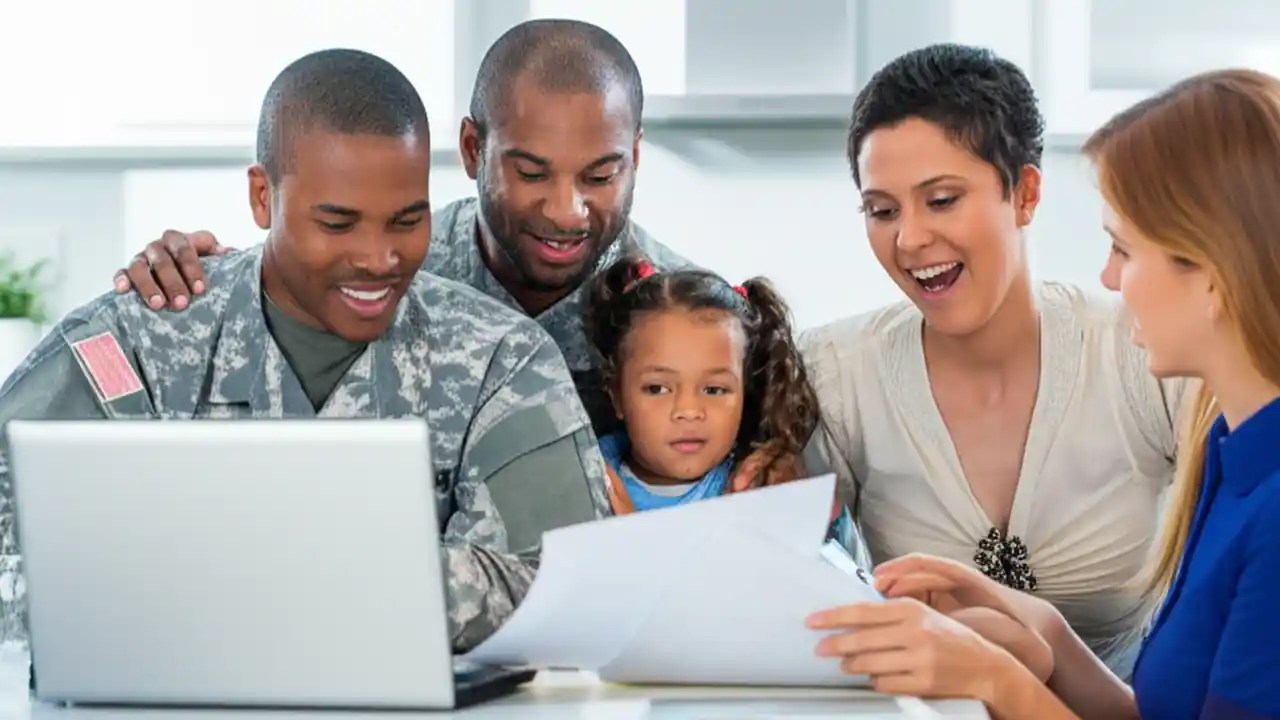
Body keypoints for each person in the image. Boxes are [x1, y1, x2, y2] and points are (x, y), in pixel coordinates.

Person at [0, 48, 609, 653]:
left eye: (405, 220)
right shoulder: (136, 348)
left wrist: (214, 586)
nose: (378, 258)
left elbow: (559, 583)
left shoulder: (501, 362)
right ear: (263, 197)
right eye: (338, 224)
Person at [807, 68, 1280, 719]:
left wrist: (1001, 681)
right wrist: (1046, 633)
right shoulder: (1232, 453)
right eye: (882, 209)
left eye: (1124, 249)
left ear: (1213, 269)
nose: (1108, 279)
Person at [108, 19, 692, 437]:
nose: (567, 210)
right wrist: (188, 280)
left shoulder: (689, 314)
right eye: (531, 172)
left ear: (635, 157)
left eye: (600, 175)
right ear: (472, 149)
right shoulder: (391, 267)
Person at [582, 257, 859, 548]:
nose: (688, 411)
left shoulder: (761, 490)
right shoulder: (583, 477)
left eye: (714, 390)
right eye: (658, 388)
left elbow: (854, 578)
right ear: (617, 396)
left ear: (744, 391)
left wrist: (811, 510)